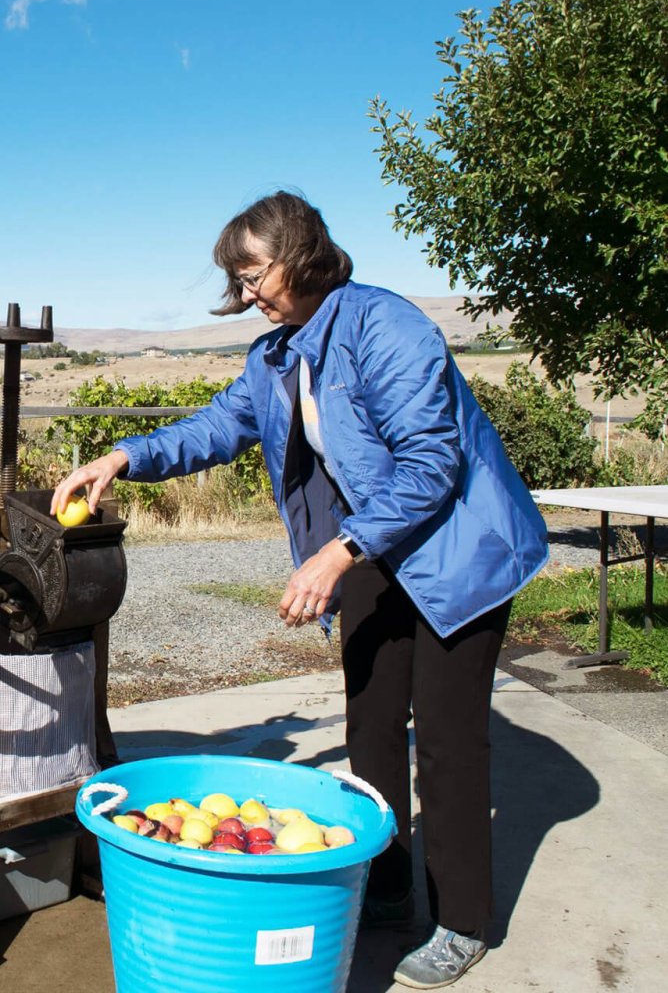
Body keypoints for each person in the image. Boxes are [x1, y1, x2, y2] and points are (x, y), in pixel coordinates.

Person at [53, 191, 548, 990]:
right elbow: (215, 427)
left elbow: (430, 465)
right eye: (238, 279)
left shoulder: (386, 327)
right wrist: (123, 458)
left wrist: (334, 554)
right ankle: (383, 886)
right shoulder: (277, 353)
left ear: (304, 252)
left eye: (255, 273)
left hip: (460, 548)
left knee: (451, 747)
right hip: (377, 548)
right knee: (373, 727)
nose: (247, 292)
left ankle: (462, 921)